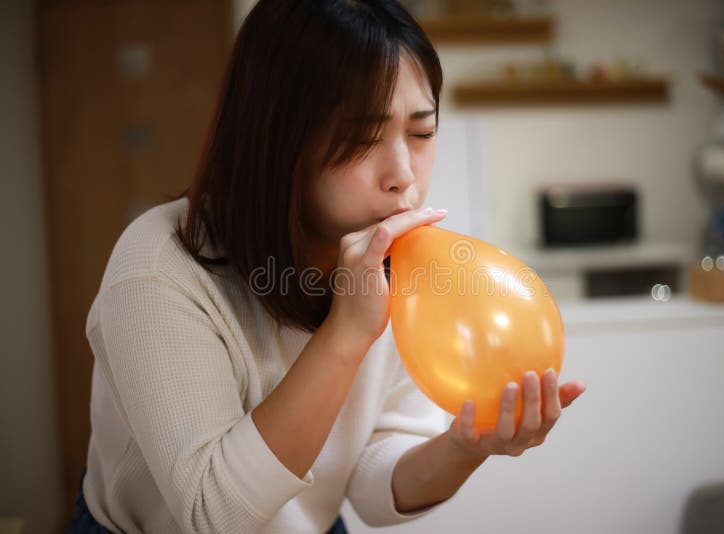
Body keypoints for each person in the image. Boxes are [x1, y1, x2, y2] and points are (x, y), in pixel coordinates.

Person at [69, 1, 586, 532]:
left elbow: (370, 481)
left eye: (422, 132)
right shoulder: (160, 269)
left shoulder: (406, 266)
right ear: (277, 138)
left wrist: (464, 447)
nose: (403, 176)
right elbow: (212, 513)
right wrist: (348, 331)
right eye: (363, 138)